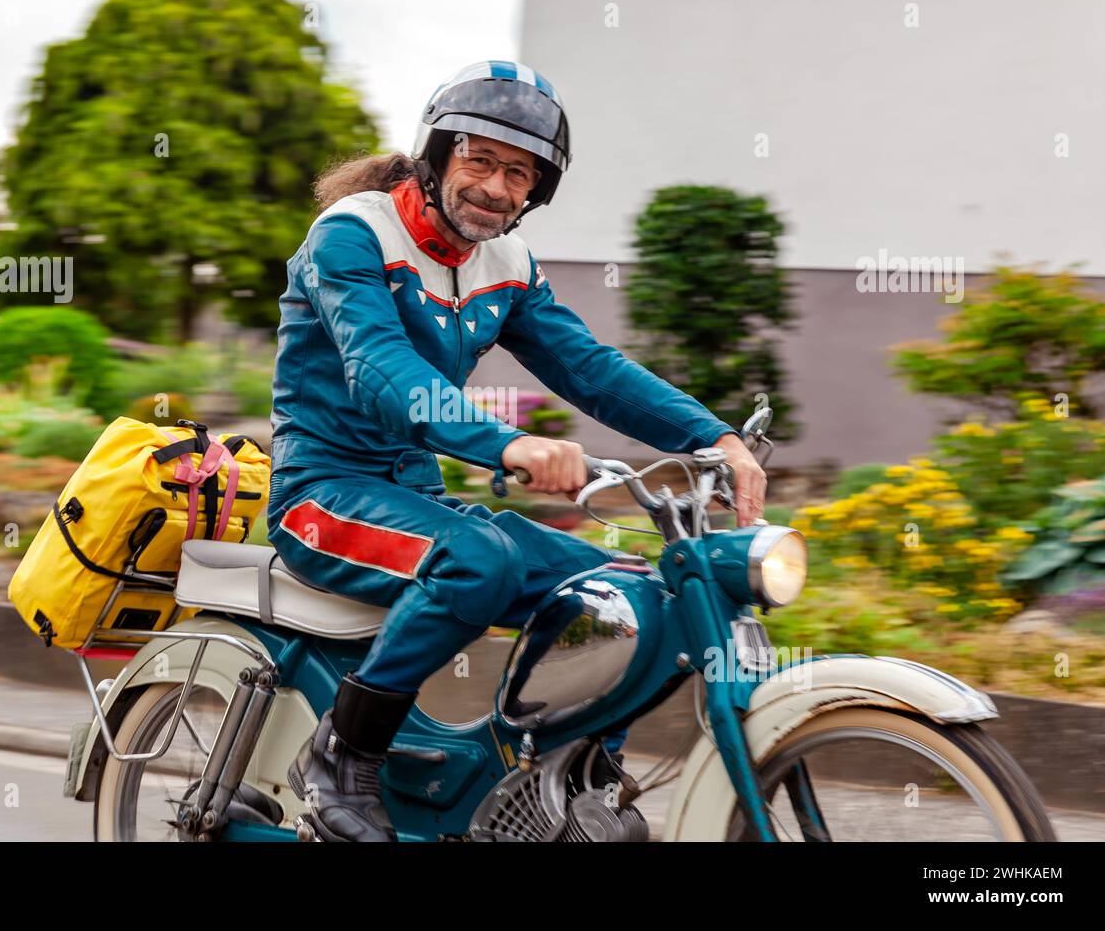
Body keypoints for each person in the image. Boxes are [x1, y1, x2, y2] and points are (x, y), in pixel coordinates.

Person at [266, 60, 767, 842]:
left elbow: (590, 370)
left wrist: (715, 436)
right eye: (481, 160)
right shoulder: (354, 235)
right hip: (320, 494)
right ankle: (343, 753)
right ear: (436, 156)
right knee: (480, 560)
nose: (498, 188)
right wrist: (506, 444)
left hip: (413, 497)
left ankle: (569, 778)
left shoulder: (505, 265)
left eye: (520, 173)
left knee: (623, 595)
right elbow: (379, 373)